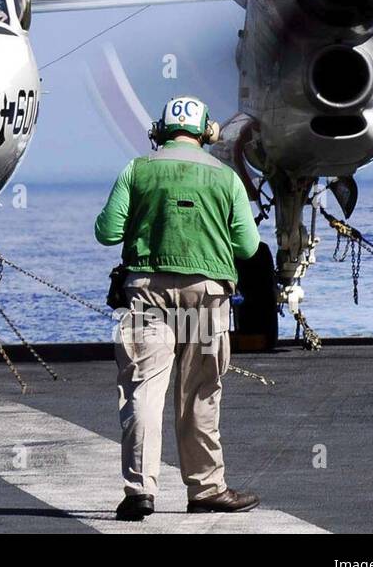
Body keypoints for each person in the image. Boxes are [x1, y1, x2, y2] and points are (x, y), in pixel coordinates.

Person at [94, 96, 262, 522]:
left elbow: (107, 232)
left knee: (144, 392)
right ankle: (206, 488)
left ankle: (140, 492)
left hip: (148, 294)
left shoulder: (137, 169)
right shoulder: (225, 178)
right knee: (200, 394)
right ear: (207, 132)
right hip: (207, 298)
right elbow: (248, 246)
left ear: (160, 131)